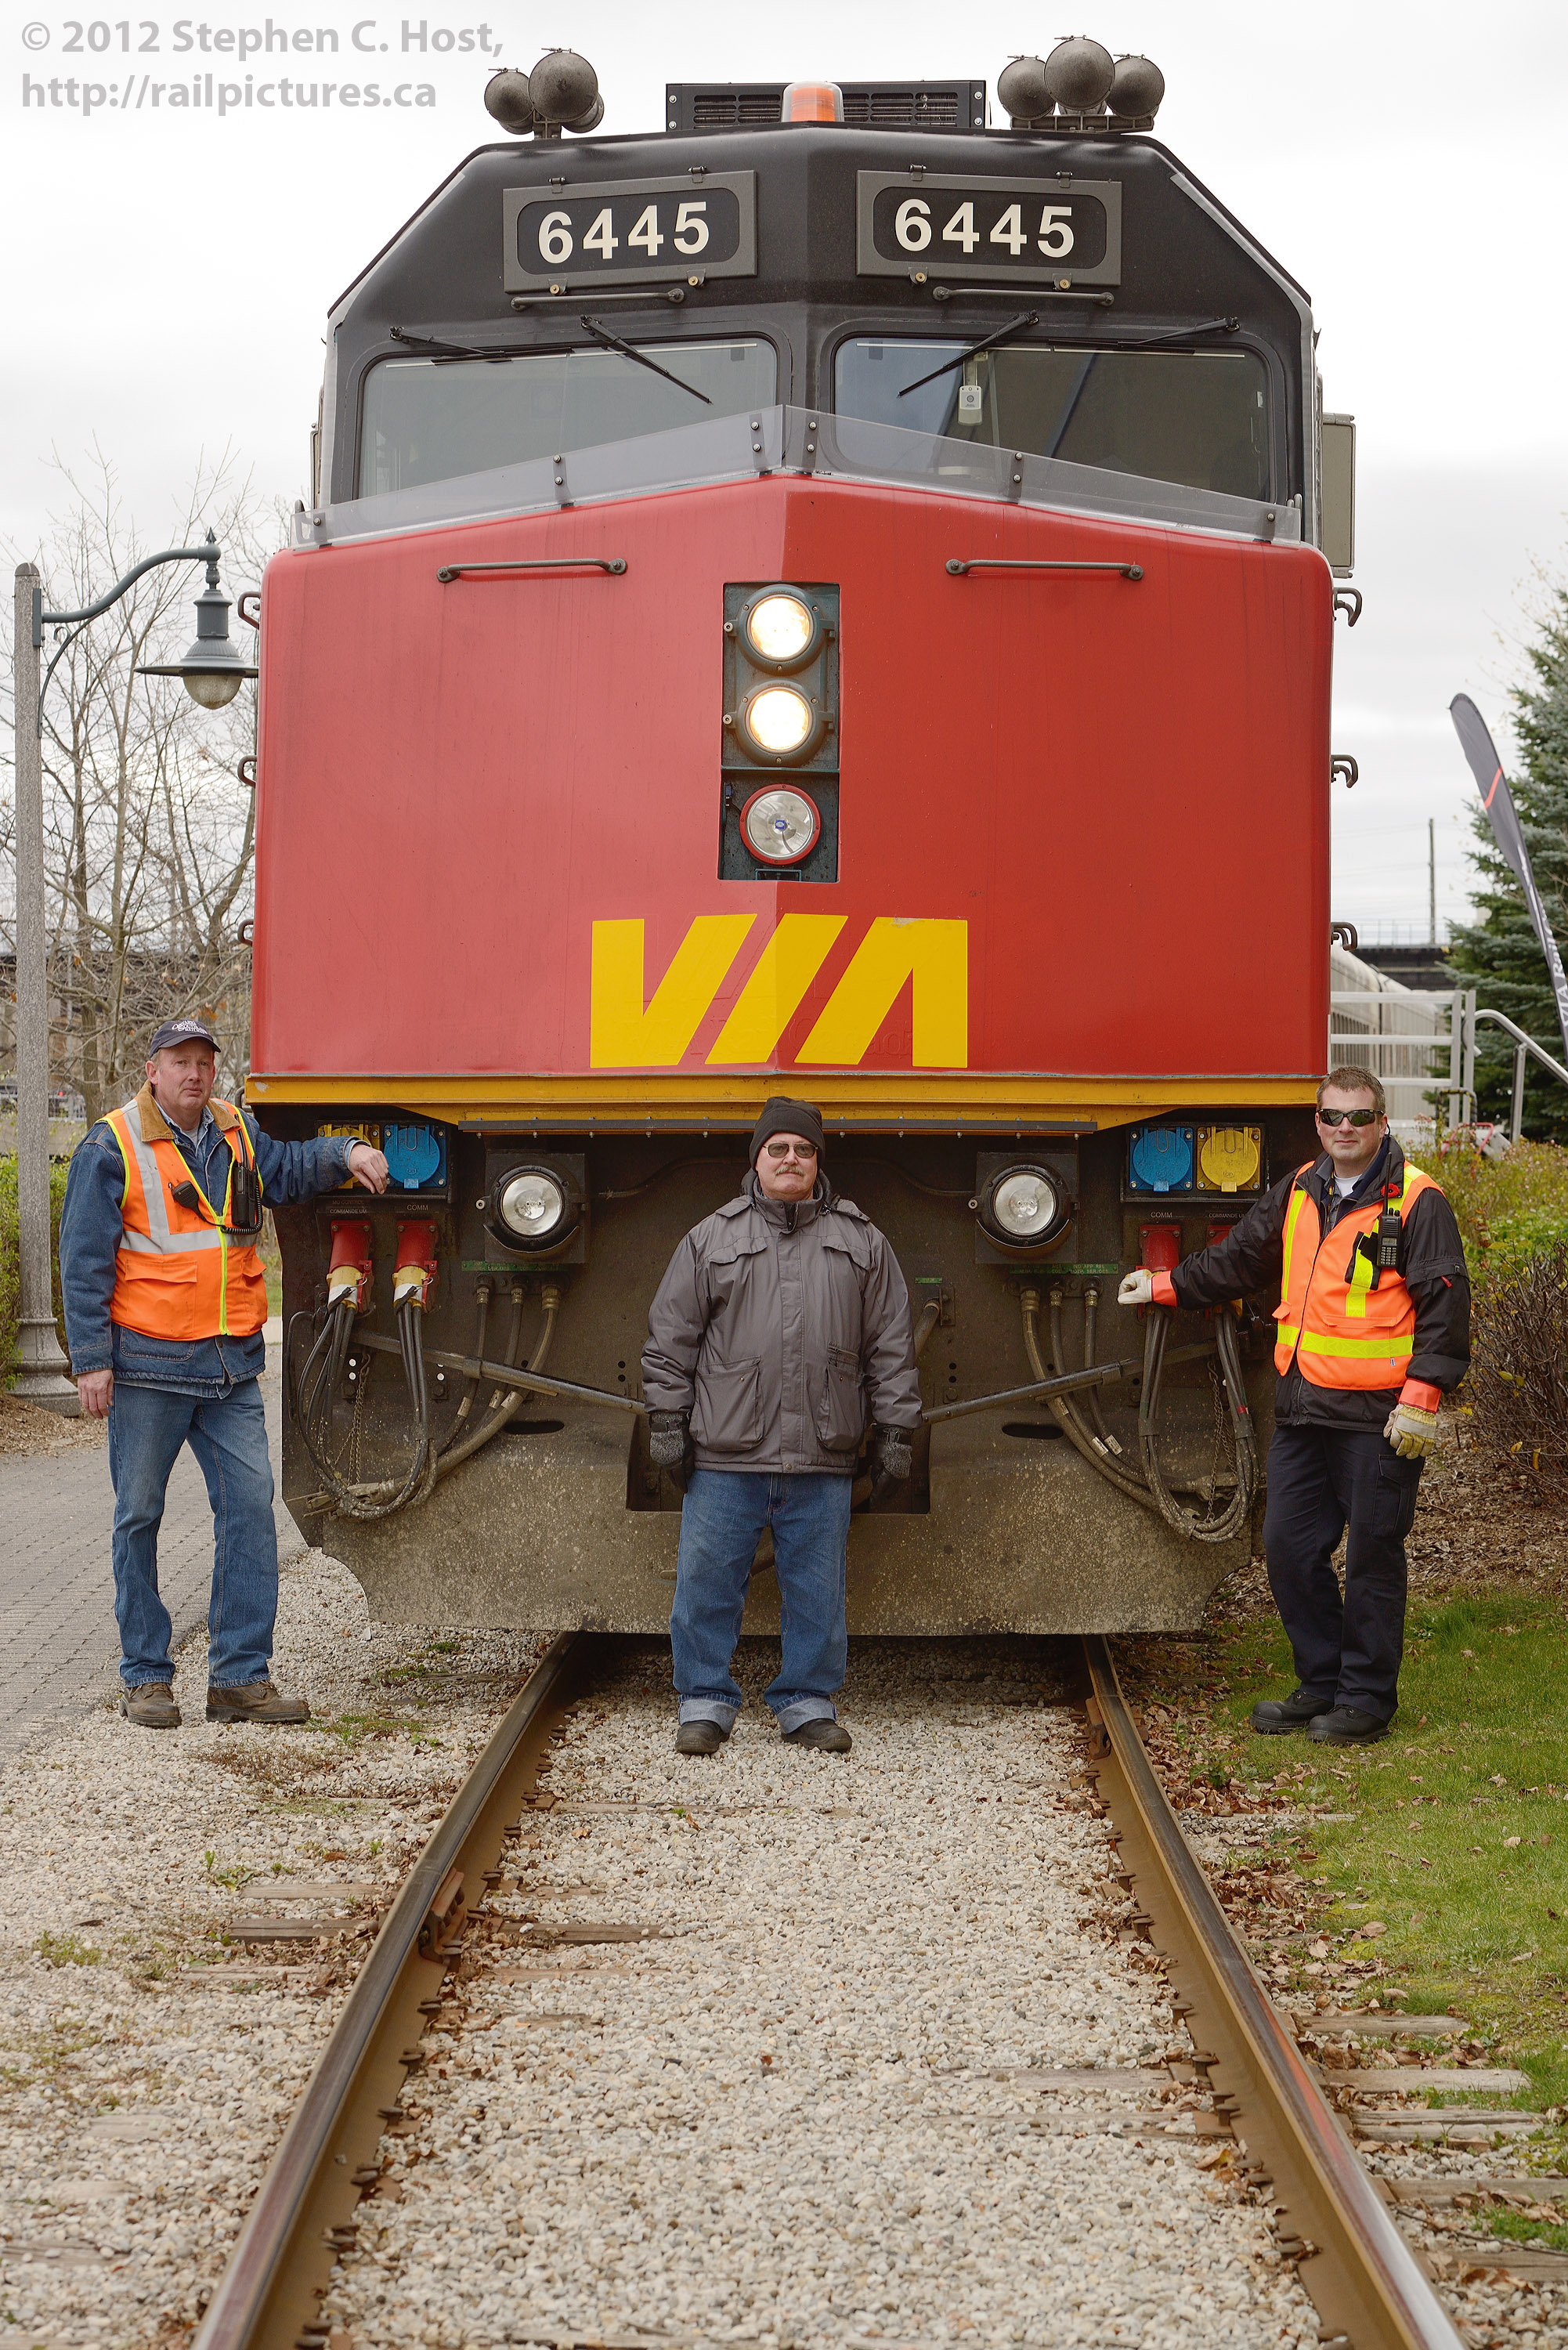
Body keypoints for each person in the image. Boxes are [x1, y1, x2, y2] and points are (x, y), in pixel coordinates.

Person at [1118, 1066, 1469, 1746]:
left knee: (1372, 1557)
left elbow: (1445, 1306)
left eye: (1359, 1118)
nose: (1346, 1129)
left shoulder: (1420, 1202)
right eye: (1333, 1117)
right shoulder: (1302, 1190)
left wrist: (1423, 1398)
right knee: (1287, 1548)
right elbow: (1241, 1258)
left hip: (1379, 1418)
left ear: (1382, 1124)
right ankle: (1320, 1683)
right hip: (1306, 1410)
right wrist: (1167, 1286)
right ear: (1317, 1124)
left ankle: (1365, 1700)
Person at [59, 1017, 389, 1730]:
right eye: (180, 1061)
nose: (195, 1074)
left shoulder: (235, 1133)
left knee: (249, 1511)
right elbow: (82, 1264)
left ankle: (239, 1679)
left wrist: (347, 1151)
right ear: (152, 1070)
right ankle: (145, 1676)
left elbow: (292, 1169)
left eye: (205, 1062)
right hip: (148, 1366)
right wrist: (91, 1363)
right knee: (139, 1517)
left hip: (230, 1365)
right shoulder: (111, 1145)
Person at [641, 1096, 921, 1757]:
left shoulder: (862, 1241)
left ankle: (806, 1701)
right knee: (706, 1582)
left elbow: (891, 1346)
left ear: (817, 1162)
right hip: (725, 1453)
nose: (790, 1159)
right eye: (778, 1149)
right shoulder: (712, 1237)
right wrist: (667, 1420)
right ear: (758, 1161)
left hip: (823, 1451)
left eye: (803, 1149)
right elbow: (669, 1339)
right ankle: (704, 1699)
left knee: (817, 1591)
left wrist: (897, 1431)